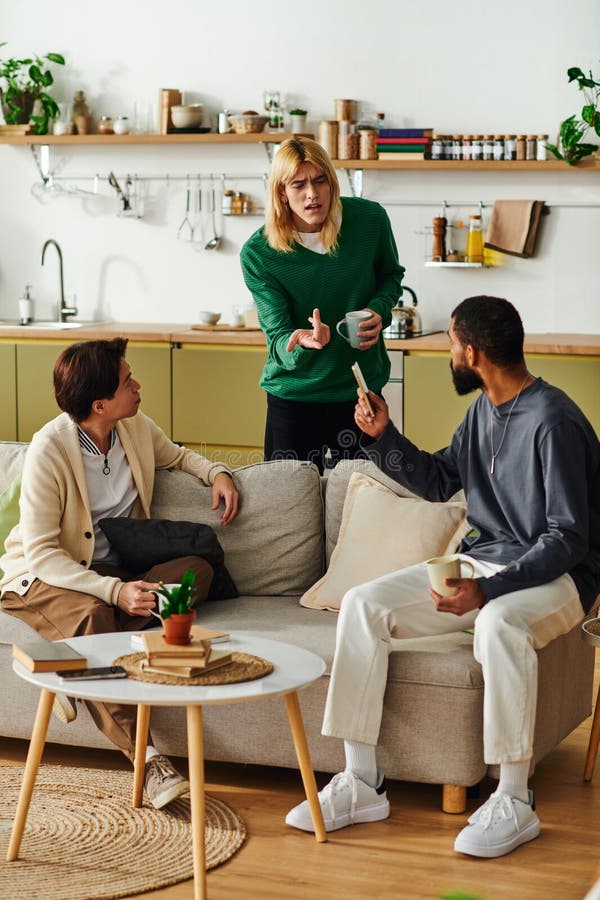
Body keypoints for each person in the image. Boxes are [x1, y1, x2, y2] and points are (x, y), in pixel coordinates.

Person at [286, 295, 600, 858]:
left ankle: (513, 797)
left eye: (451, 343)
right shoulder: (482, 411)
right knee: (363, 604)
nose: (448, 354)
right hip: (487, 561)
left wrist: (490, 589)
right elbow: (438, 480)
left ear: (473, 353)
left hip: (563, 577)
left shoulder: (554, 421)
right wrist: (384, 437)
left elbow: (567, 537)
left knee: (498, 623)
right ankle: (362, 781)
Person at [0, 338, 239, 809]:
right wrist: (114, 592)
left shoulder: (132, 427)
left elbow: (177, 455)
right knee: (92, 615)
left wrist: (218, 474)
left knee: (194, 570)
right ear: (99, 403)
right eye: (128, 381)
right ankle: (148, 762)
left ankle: (70, 666)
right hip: (42, 576)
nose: (138, 385)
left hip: (109, 569)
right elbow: (45, 553)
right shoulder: (48, 452)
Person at [240, 136, 405, 473]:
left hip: (360, 393)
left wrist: (380, 309)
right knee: (290, 511)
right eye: (298, 185)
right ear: (282, 194)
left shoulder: (369, 220)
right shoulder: (259, 253)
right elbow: (278, 340)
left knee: (367, 505)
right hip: (294, 398)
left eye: (320, 181)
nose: (312, 194)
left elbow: (391, 276)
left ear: (332, 182)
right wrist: (300, 341)